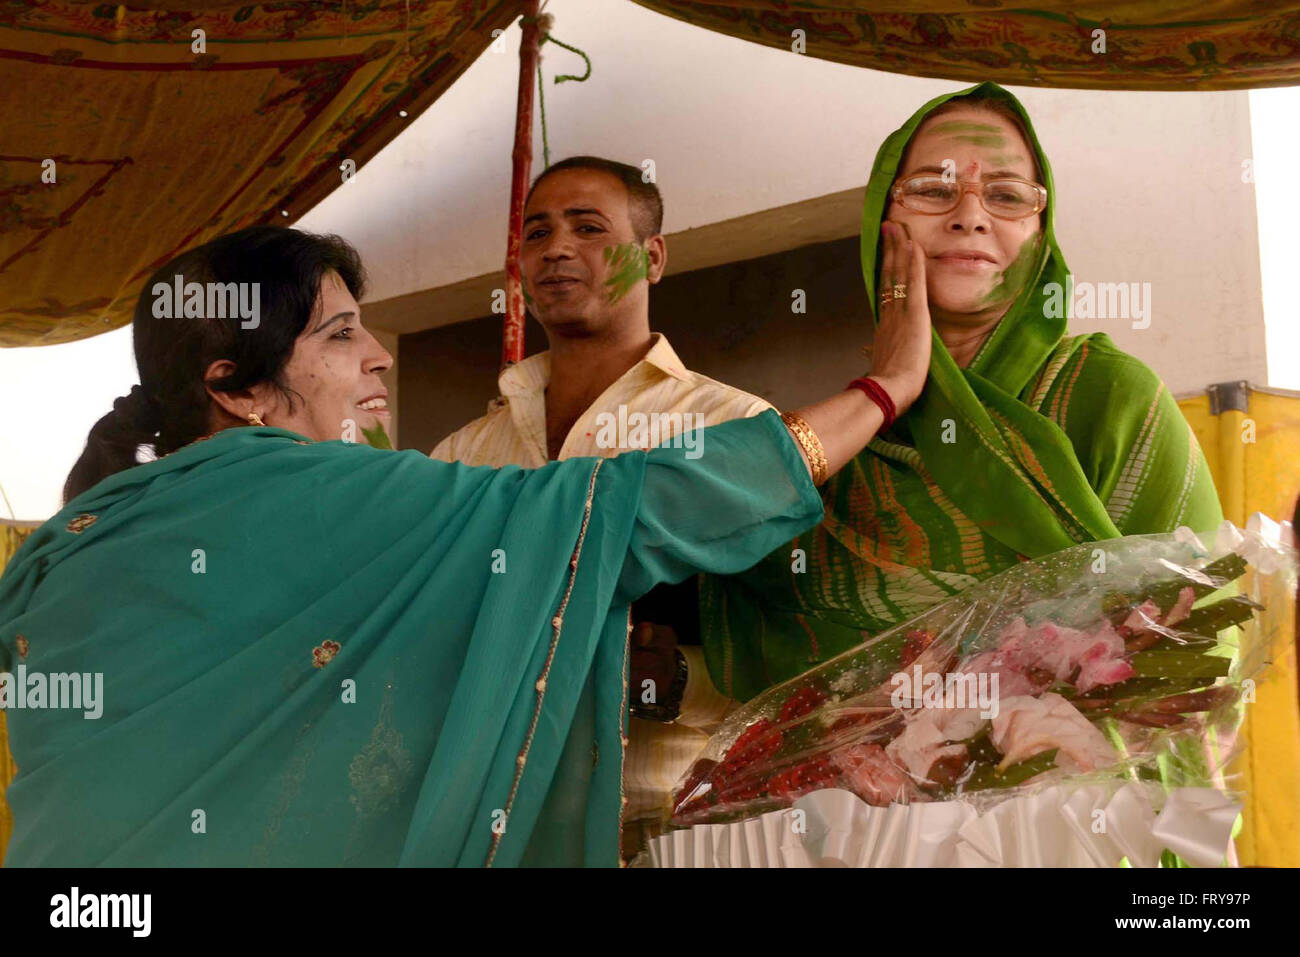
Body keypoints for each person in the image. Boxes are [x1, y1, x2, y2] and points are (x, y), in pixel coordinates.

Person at [0, 221, 930, 866]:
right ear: (237, 388)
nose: (379, 357)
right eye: (340, 334)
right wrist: (886, 384)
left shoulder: (77, 536)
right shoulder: (330, 490)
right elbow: (633, 505)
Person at [699, 82, 1224, 706]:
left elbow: (1196, 645)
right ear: (881, 224)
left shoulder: (1107, 398)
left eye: (1005, 195)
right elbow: (756, 621)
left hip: (1090, 799)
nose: (970, 215)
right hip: (857, 802)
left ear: (1040, 232)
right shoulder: (846, 437)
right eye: (932, 189)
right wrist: (887, 390)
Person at [430, 156, 776, 858]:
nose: (556, 248)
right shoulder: (461, 457)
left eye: (588, 228)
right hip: (494, 829)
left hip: (678, 824)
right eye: (536, 234)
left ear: (651, 258)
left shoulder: (734, 429)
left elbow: (792, 650)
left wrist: (677, 678)